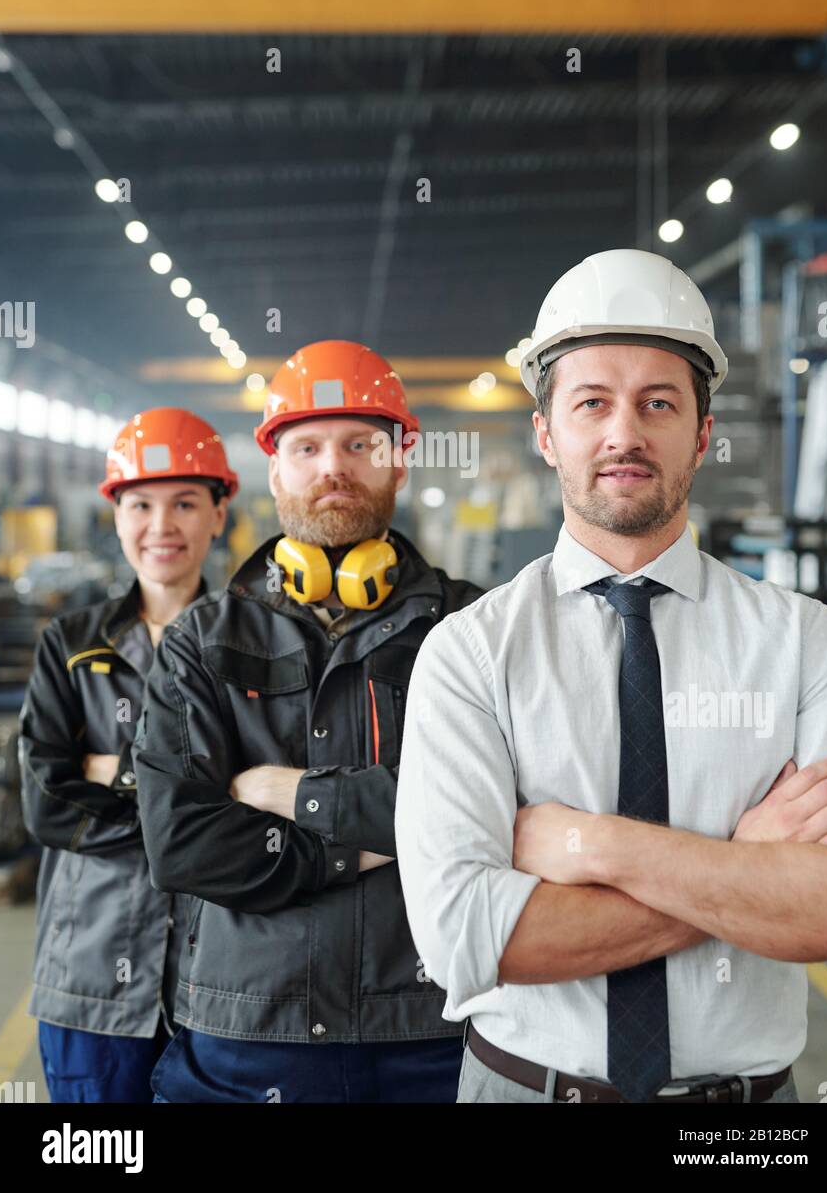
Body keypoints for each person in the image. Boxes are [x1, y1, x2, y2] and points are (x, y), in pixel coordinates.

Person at [396, 248, 827, 1105]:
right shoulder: (469, 655)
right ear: (546, 433)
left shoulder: (808, 645)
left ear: (703, 432)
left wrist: (589, 845)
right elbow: (469, 937)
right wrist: (746, 867)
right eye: (592, 403)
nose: (624, 434)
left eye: (658, 402)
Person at [133, 341, 483, 1103]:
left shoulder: (471, 627)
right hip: (246, 1032)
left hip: (432, 1027)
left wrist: (288, 793)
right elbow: (181, 843)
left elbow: (489, 810)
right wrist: (365, 845)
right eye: (308, 447)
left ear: (399, 461)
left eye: (362, 444)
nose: (334, 467)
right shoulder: (203, 641)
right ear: (274, 468)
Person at [19, 408, 237, 1102]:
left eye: (185, 504)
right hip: (91, 976)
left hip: (220, 981)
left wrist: (108, 773)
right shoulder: (72, 643)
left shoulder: (253, 646)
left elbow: (272, 807)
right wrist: (199, 806)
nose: (162, 526)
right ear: (116, 514)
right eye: (141, 504)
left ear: (219, 514)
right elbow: (48, 804)